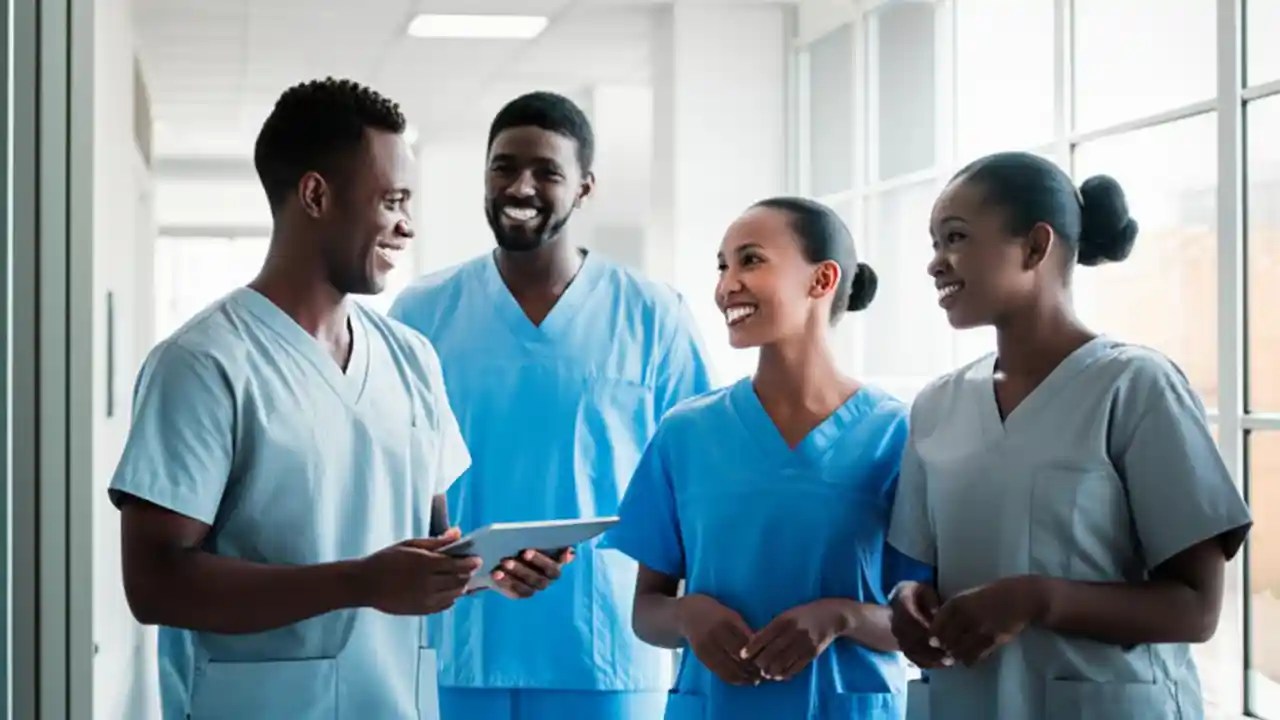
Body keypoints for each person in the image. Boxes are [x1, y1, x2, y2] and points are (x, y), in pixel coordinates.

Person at [111, 78, 566, 720]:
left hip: (392, 700)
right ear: (317, 194)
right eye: (392, 200)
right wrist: (360, 582)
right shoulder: (202, 363)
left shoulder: (412, 359)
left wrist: (489, 569)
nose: (407, 226)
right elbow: (155, 585)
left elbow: (428, 544)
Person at [886, 151, 1253, 720]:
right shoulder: (937, 405)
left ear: (1035, 246)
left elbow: (1197, 609)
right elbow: (922, 573)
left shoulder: (1134, 386)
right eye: (934, 244)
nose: (936, 264)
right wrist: (908, 605)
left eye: (954, 238)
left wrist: (1037, 599)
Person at [389, 91, 714, 720]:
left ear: (585, 188)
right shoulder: (420, 315)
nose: (522, 185)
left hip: (606, 650)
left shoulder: (653, 315)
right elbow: (393, 474)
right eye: (504, 166)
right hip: (457, 647)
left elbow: (695, 484)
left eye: (548, 171)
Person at [604, 197, 933, 719]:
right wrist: (689, 615)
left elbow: (923, 624)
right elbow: (647, 611)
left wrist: (840, 617)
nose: (726, 284)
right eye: (722, 265)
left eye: (750, 260)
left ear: (821, 280)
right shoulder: (686, 433)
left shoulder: (897, 434)